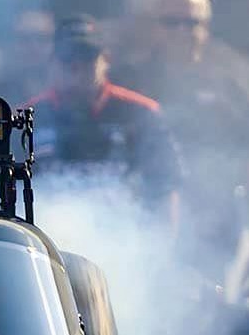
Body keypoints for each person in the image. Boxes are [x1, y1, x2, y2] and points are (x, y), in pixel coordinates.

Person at [125, 0, 249, 293]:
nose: (183, 31)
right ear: (154, 27)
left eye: (192, 22)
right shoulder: (128, 83)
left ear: (205, 28)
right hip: (140, 231)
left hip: (213, 235)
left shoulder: (230, 91)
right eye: (172, 22)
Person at [22, 15, 182, 215]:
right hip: (46, 237)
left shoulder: (140, 113)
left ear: (106, 59)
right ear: (52, 62)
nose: (77, 67)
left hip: (124, 234)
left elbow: (164, 186)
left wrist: (162, 244)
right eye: (68, 58)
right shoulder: (25, 118)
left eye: (87, 57)